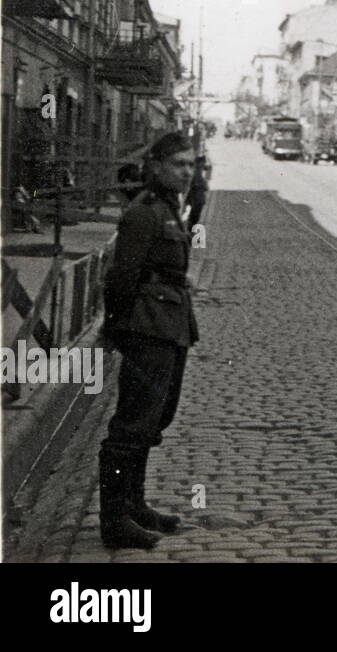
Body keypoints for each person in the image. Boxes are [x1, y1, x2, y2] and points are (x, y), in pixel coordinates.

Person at [99, 131, 199, 550]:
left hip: (168, 326)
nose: (187, 172)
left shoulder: (169, 209)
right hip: (147, 327)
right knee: (133, 423)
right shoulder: (144, 213)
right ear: (155, 166)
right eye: (179, 164)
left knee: (156, 418)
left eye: (192, 165)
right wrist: (117, 327)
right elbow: (122, 277)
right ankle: (114, 519)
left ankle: (135, 505)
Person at [186, 154, 209, 232]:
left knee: (195, 217)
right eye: (203, 163)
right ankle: (191, 233)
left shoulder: (198, 171)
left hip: (199, 198)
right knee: (194, 217)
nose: (204, 164)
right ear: (199, 163)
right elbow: (193, 184)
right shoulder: (195, 172)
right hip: (196, 198)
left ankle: (191, 233)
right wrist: (203, 185)